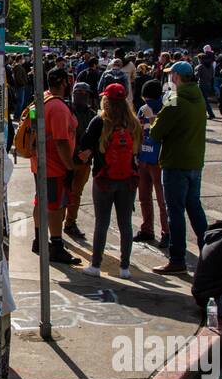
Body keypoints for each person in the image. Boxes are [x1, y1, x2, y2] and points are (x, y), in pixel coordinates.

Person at [148, 61, 208, 275]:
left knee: (176, 212)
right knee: (195, 208)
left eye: (171, 75)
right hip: (195, 160)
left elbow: (156, 133)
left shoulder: (174, 99)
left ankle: (177, 258)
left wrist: (153, 120)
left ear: (176, 77)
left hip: (175, 161)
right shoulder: (199, 96)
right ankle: (209, 252)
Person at [80, 83, 141, 278]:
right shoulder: (133, 123)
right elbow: (137, 150)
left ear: (105, 100)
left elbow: (84, 144)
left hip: (104, 179)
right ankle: (124, 268)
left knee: (102, 223)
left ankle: (96, 265)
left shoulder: (100, 121)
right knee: (126, 224)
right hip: (128, 178)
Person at [30, 67, 80, 265]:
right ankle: (56, 246)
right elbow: (61, 141)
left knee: (40, 201)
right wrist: (70, 167)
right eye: (67, 81)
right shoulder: (58, 107)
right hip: (54, 166)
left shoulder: (43, 99)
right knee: (55, 206)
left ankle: (39, 240)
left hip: (40, 164)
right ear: (63, 83)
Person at [134, 79, 169, 250]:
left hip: (154, 158)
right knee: (151, 197)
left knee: (157, 199)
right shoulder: (150, 109)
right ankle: (154, 230)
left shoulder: (163, 109)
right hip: (148, 157)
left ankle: (161, 231)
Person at [64, 82, 95, 240]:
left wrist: (89, 152)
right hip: (66, 160)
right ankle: (57, 225)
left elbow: (98, 137)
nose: (81, 95)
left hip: (84, 162)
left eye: (84, 92)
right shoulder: (66, 110)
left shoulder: (92, 114)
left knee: (76, 194)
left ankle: (70, 223)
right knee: (63, 194)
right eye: (78, 92)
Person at [195, 51, 217, 119]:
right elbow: (212, 76)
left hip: (202, 84)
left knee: (203, 100)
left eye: (198, 59)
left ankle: (210, 114)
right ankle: (206, 113)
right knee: (204, 100)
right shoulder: (210, 66)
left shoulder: (200, 66)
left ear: (201, 59)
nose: (198, 60)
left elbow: (196, 76)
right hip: (208, 84)